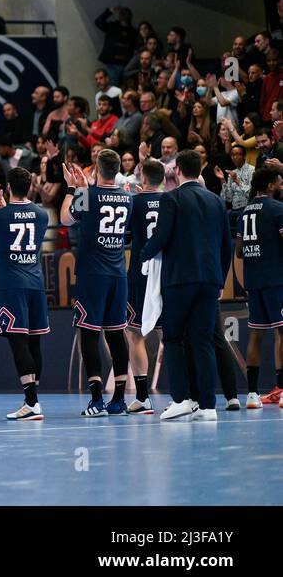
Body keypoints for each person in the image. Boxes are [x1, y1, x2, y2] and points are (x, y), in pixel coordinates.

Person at [140, 149, 233, 422]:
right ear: (200, 170)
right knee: (203, 340)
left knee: (173, 339)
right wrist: (219, 280)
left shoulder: (172, 198)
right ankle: (207, 406)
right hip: (210, 280)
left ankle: (181, 399)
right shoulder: (216, 201)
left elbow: (162, 236)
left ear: (177, 170)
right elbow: (226, 247)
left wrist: (142, 254)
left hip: (180, 279)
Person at [0, 168, 50, 420]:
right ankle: (33, 399)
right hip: (36, 283)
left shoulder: (1, 215)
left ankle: (31, 402)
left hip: (12, 284)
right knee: (34, 341)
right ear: (30, 186)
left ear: (8, 187)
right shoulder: (41, 214)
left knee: (18, 342)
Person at [60, 149, 131, 416]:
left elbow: (66, 218)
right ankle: (120, 399)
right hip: (117, 274)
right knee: (116, 334)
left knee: (89, 334)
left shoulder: (88, 196)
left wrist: (73, 188)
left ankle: (97, 400)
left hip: (93, 274)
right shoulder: (127, 197)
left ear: (97, 169)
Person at [122, 158, 167, 414]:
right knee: (170, 335)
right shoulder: (172, 200)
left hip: (141, 273)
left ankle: (142, 397)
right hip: (167, 273)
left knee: (135, 334)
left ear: (143, 178)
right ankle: (186, 395)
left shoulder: (134, 202)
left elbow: (123, 232)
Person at [238, 167, 283, 409]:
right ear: (269, 186)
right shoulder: (278, 209)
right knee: (282, 332)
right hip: (276, 279)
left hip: (253, 280)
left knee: (256, 333)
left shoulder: (244, 212)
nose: (282, 186)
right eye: (279, 182)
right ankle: (282, 389)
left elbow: (238, 250)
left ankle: (253, 394)